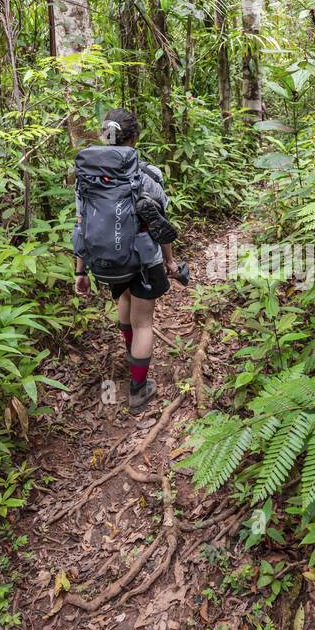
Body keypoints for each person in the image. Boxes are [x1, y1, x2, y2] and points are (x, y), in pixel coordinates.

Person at [73, 109, 188, 413]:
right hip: (142, 259)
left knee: (124, 298)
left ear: (104, 136)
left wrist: (80, 271)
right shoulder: (148, 176)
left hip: (104, 261)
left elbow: (81, 222)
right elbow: (159, 224)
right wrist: (171, 262)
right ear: (134, 138)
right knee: (144, 323)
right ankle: (138, 390)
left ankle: (131, 356)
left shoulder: (86, 177)